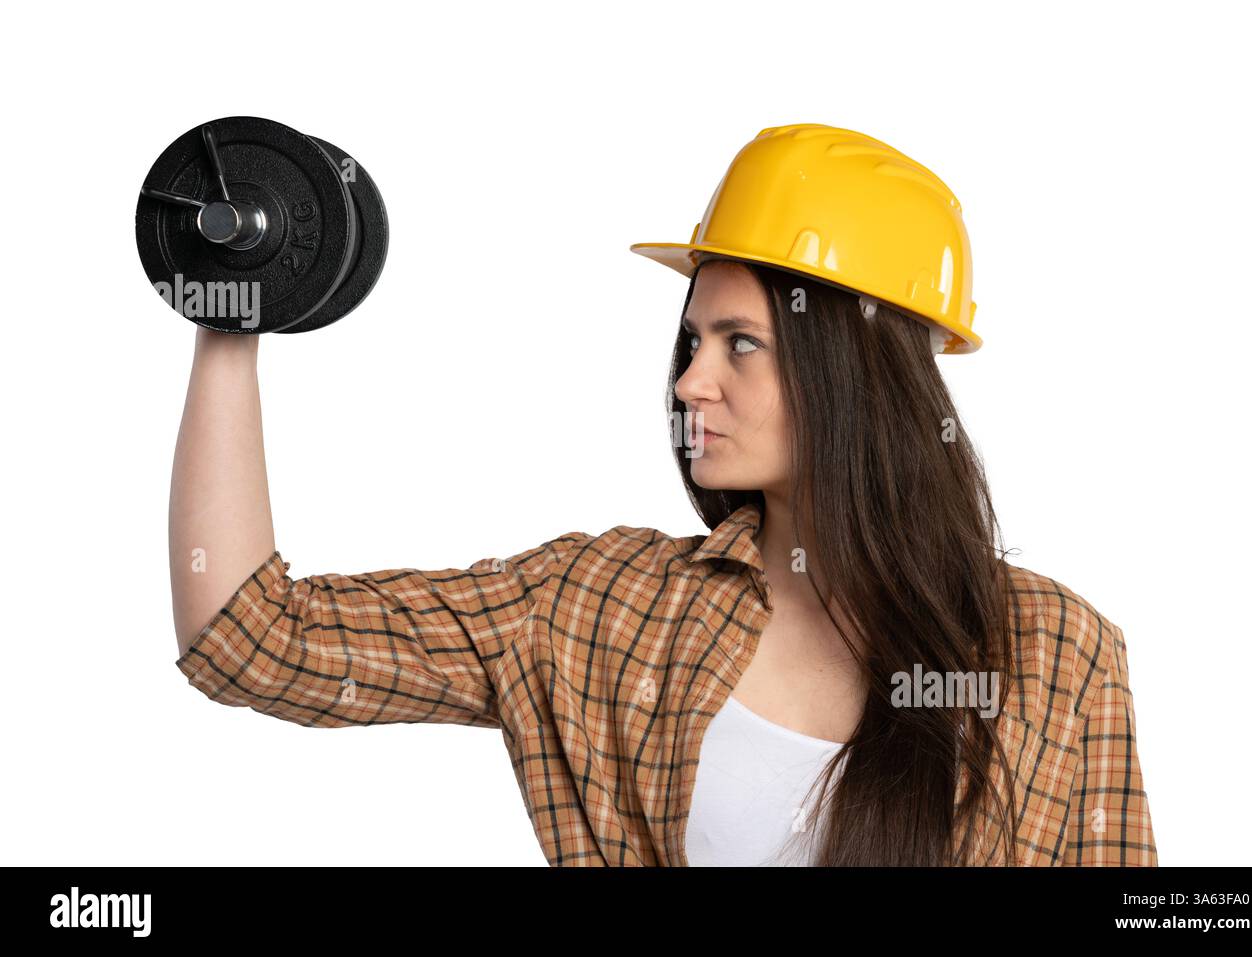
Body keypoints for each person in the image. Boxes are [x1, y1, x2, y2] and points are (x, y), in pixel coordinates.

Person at [170, 124, 1157, 867]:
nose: (691, 383)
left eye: (740, 344)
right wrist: (235, 310)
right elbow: (250, 641)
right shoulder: (599, 605)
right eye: (691, 343)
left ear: (854, 373)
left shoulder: (1056, 655)